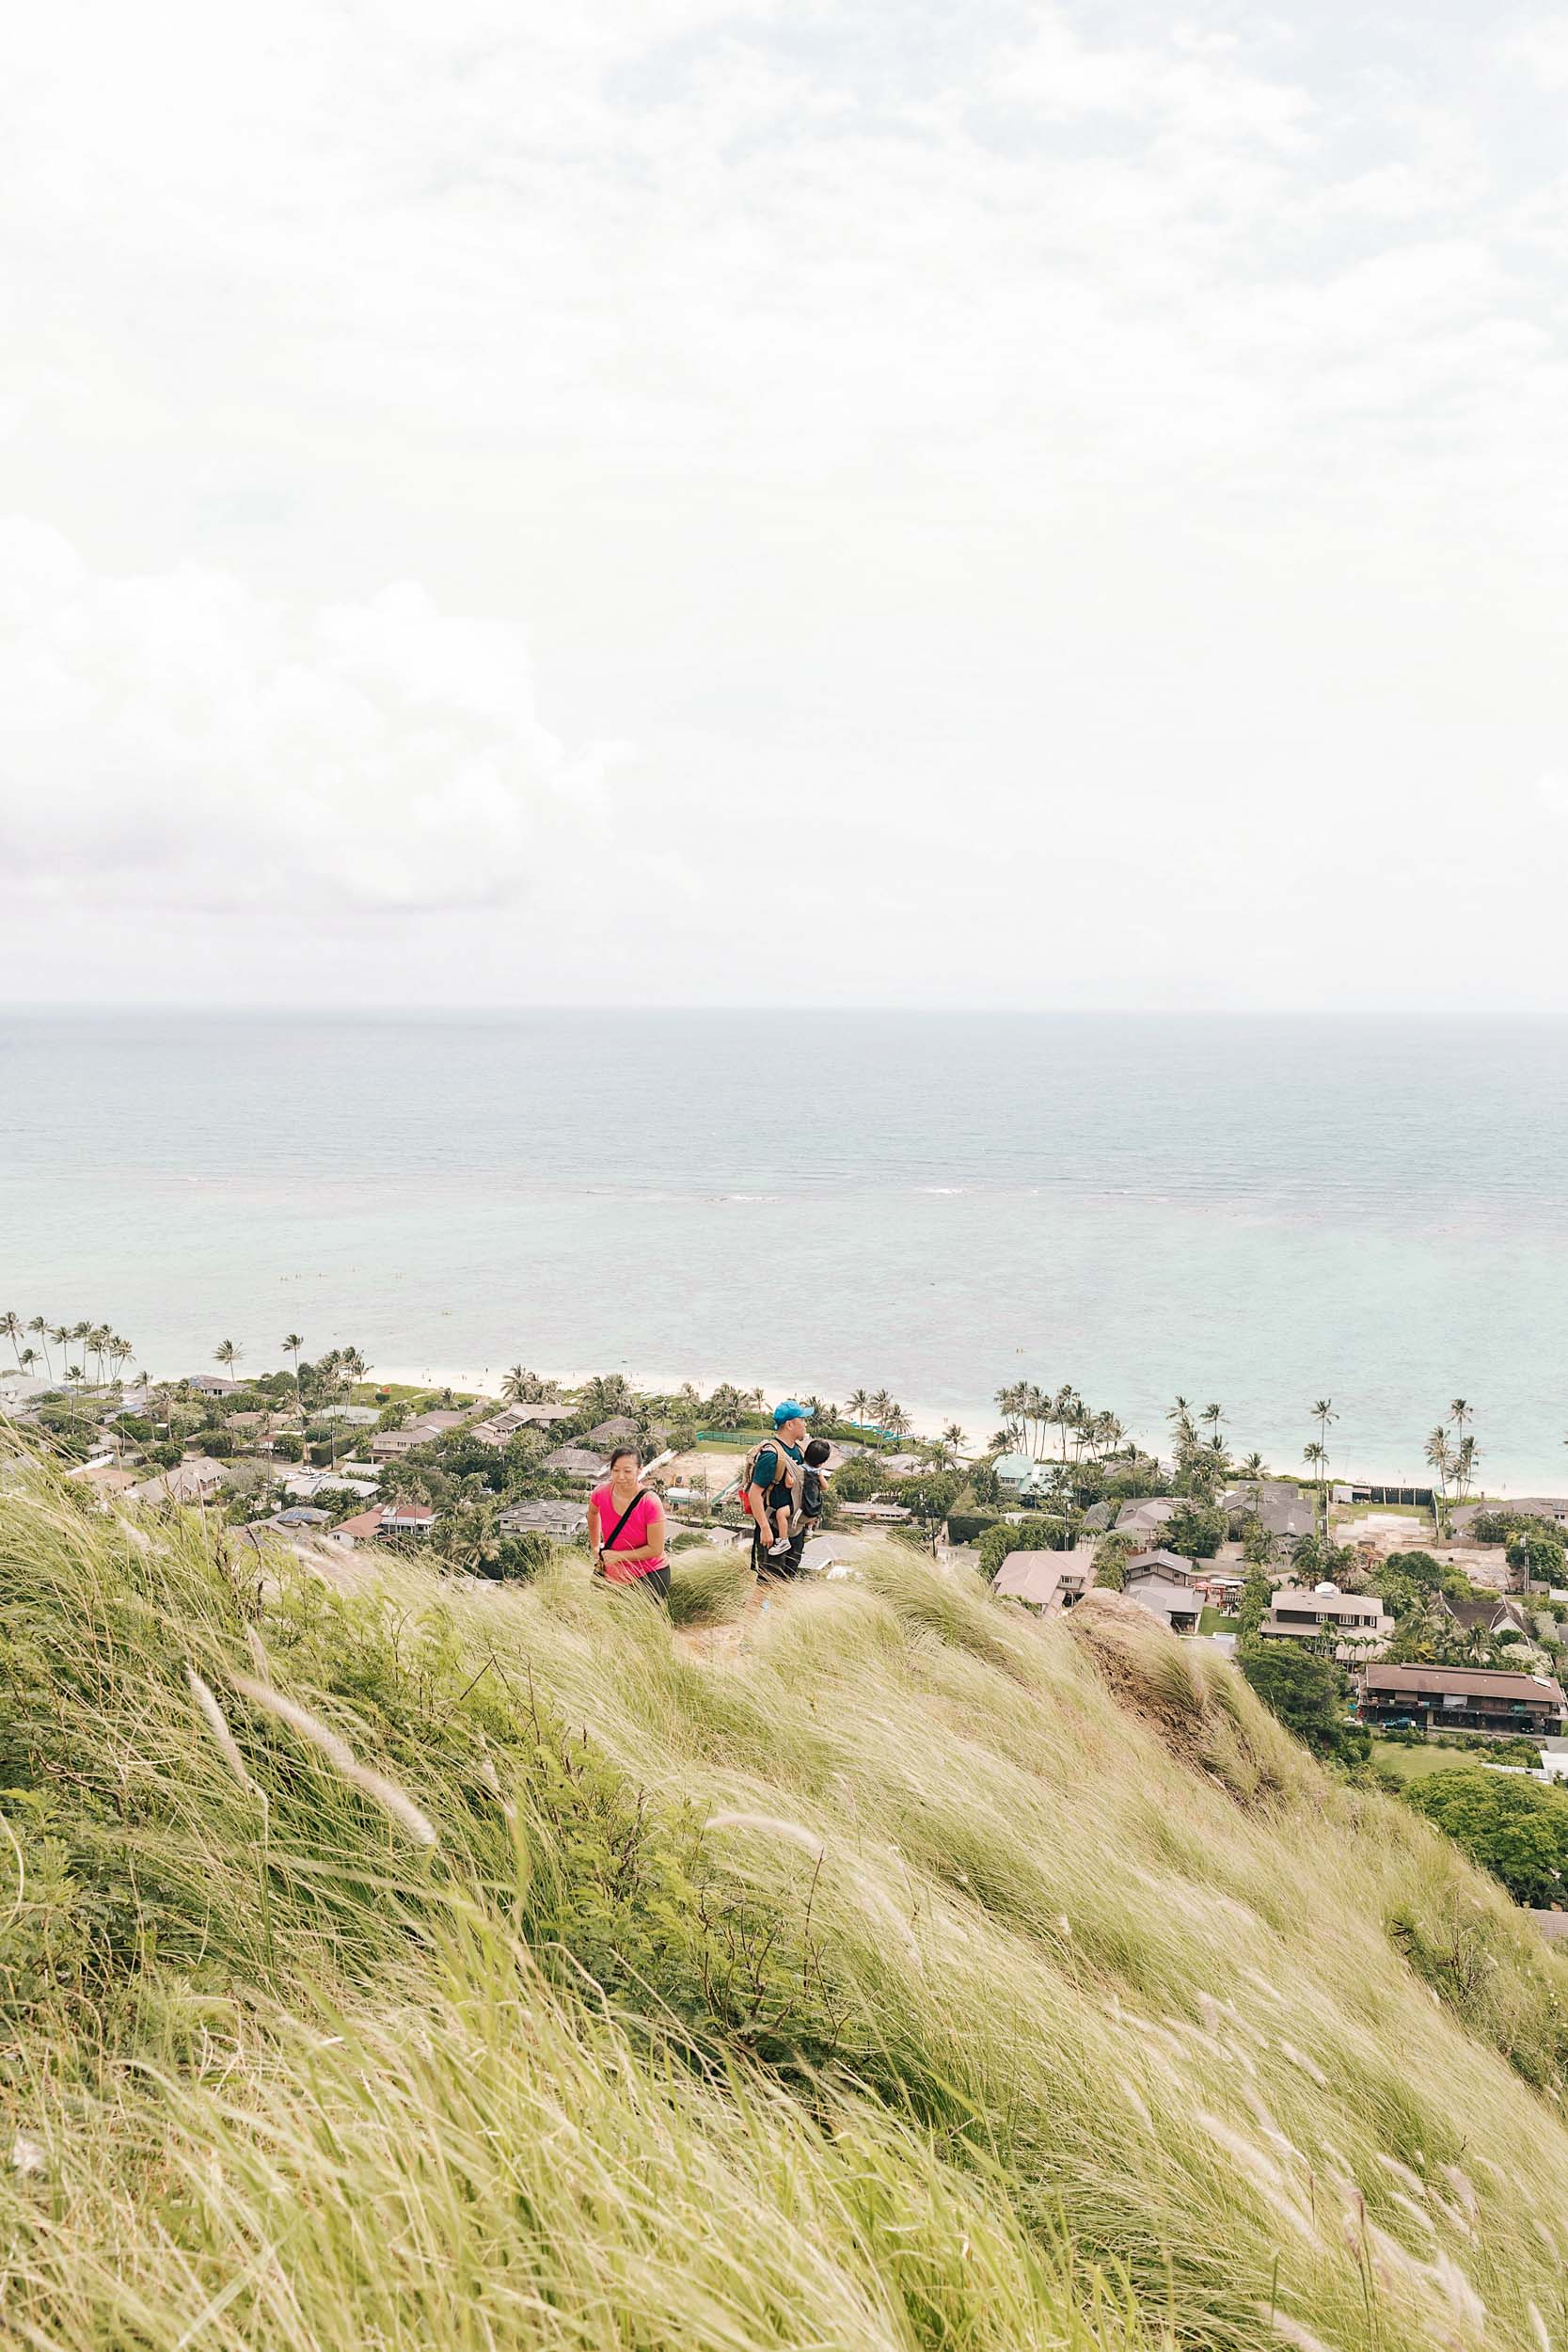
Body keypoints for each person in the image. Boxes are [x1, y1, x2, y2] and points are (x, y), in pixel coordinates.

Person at [588, 1447, 669, 1601]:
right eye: (616, 1470)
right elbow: (592, 1513)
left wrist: (619, 1556)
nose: (621, 1477)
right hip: (612, 1572)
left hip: (649, 1573)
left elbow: (656, 1549)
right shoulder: (601, 1492)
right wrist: (595, 1545)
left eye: (627, 1471)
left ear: (639, 1470)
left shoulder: (650, 1502)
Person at [744, 1402, 812, 1576]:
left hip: (793, 1532)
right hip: (773, 1531)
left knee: (785, 1583)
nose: (805, 1424)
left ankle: (774, 1606)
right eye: (802, 1419)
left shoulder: (798, 1451)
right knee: (765, 1587)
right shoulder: (771, 1455)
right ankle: (760, 1606)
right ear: (790, 1424)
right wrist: (765, 1529)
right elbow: (755, 1494)